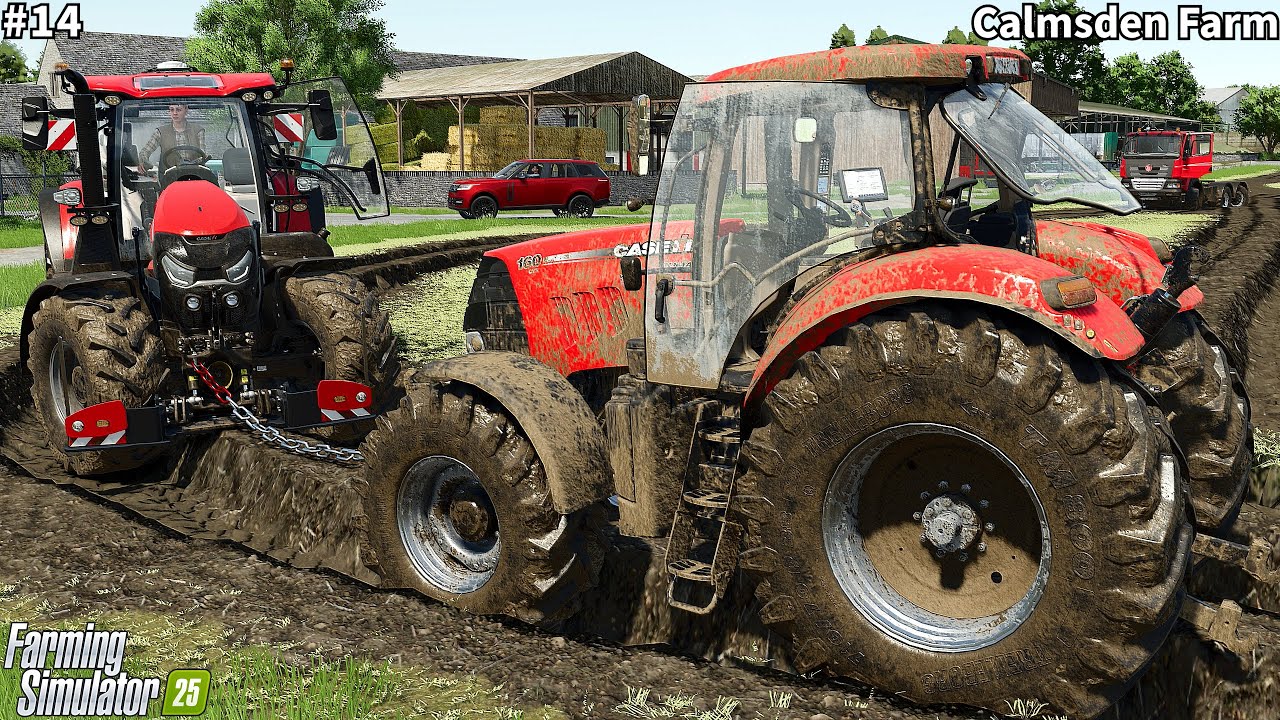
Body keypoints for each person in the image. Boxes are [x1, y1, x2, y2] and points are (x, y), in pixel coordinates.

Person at [138, 104, 205, 172]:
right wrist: (144, 161)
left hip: (194, 175)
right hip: (169, 176)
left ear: (186, 110)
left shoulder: (198, 131)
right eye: (172, 110)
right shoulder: (160, 132)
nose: (175, 113)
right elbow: (145, 151)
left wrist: (193, 163)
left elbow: (203, 155)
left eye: (178, 110)